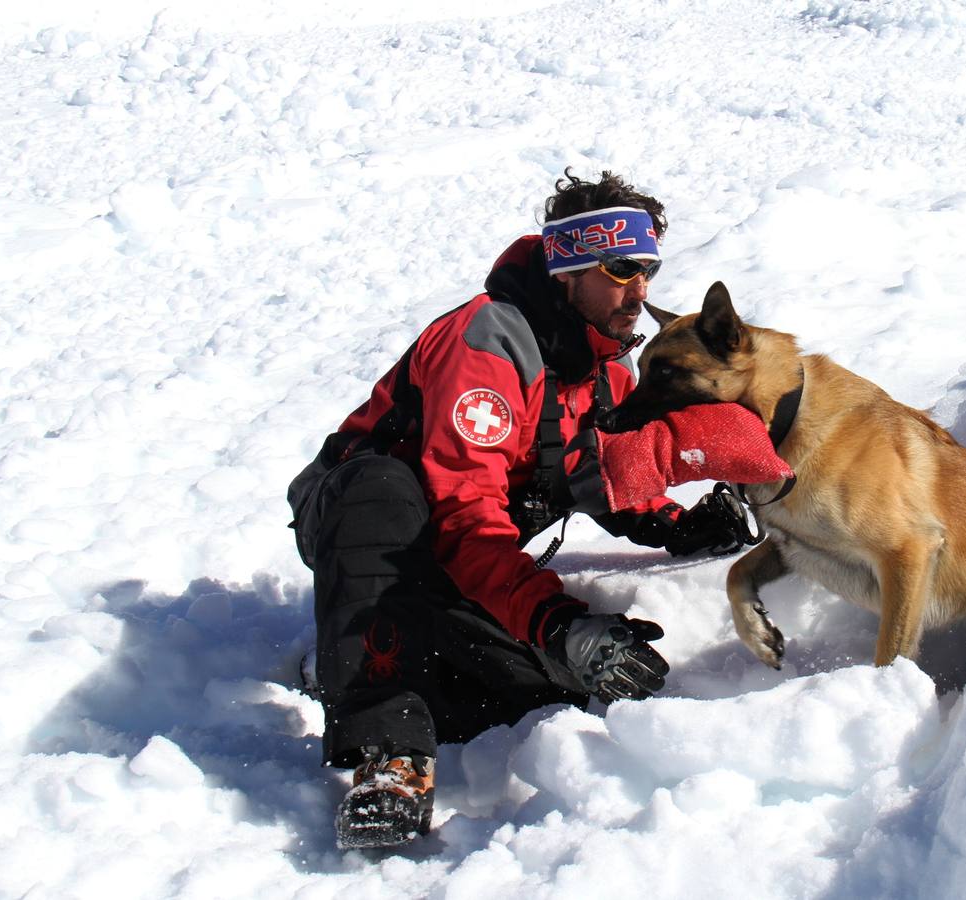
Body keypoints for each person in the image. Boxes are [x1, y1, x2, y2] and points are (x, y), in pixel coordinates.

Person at [287, 170, 749, 850]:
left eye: (648, 269)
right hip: (367, 525)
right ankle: (389, 758)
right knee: (379, 487)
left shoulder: (603, 368)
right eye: (621, 270)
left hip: (458, 557)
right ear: (569, 270)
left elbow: (597, 475)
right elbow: (463, 514)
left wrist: (683, 526)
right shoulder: (486, 345)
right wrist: (558, 622)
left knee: (537, 697)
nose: (641, 291)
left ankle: (348, 658)